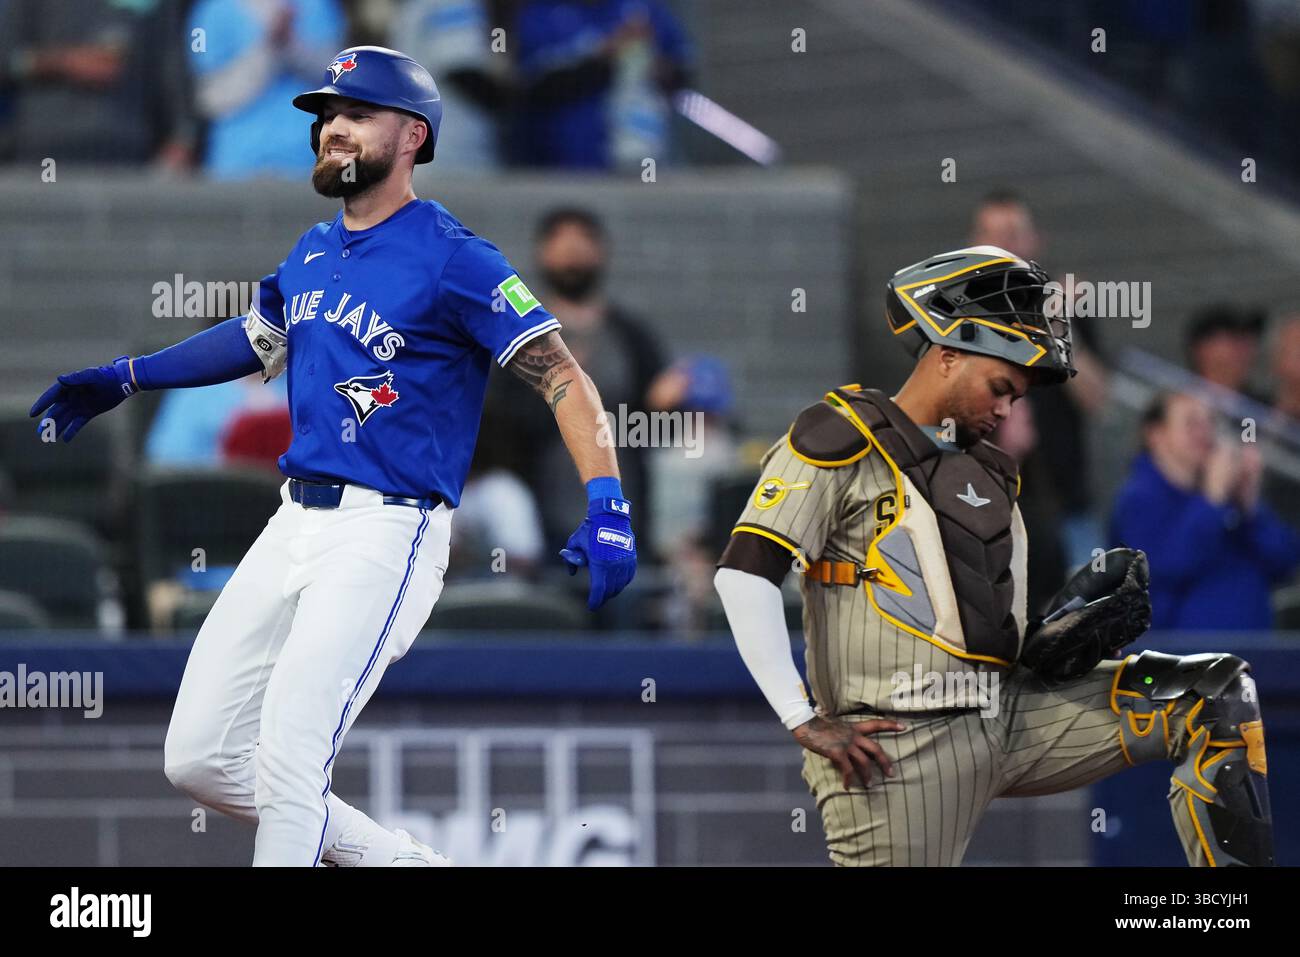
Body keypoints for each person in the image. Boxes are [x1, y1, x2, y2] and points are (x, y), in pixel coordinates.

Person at [29, 46, 637, 867]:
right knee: (201, 755)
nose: (332, 129)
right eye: (326, 116)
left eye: (356, 113)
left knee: (289, 757)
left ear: (414, 134)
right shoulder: (314, 248)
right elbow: (254, 337)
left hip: (387, 530)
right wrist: (128, 376)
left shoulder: (455, 255)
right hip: (294, 521)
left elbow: (562, 374)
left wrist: (607, 500)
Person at [714, 245, 1274, 867]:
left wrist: (1058, 635)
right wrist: (801, 717)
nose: (1007, 408)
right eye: (1001, 387)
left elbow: (972, 618)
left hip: (1008, 712)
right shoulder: (834, 438)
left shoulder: (987, 467)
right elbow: (743, 575)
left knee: (1212, 692)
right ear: (947, 356)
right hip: (897, 744)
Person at [1110, 391, 1300, 630]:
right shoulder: (1138, 498)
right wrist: (1212, 500)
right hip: (1178, 657)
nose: (1204, 433)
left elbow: (1285, 562)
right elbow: (1167, 568)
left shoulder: (1228, 498)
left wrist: (1250, 506)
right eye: (1191, 423)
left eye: (1209, 422)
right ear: (1155, 434)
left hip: (1250, 651)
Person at [512, 0, 692, 169]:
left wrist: (652, 65)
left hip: (644, 160)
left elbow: (682, 73)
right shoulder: (541, 14)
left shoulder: (644, 7)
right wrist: (603, 57)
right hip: (565, 165)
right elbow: (532, 89)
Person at [187, 0, 345, 179]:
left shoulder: (317, 6)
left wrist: (291, 45)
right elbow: (210, 100)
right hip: (236, 166)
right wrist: (269, 47)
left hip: (308, 162)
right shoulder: (214, 10)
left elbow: (336, 81)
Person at [1183, 303, 1268, 403]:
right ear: (1202, 349)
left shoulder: (1267, 410)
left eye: (1249, 339)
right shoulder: (1172, 408)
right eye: (1234, 338)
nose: (1245, 348)